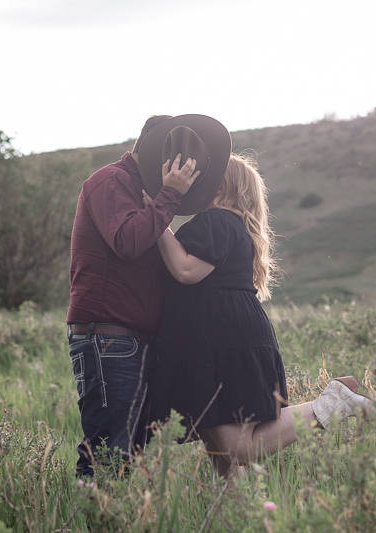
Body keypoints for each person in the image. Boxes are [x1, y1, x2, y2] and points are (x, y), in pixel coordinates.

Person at [149, 152, 376, 478]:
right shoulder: (232, 225)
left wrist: (157, 220)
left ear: (220, 186)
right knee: (219, 451)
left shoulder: (218, 221)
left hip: (222, 341)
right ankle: (229, 517)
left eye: (206, 179)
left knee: (239, 448)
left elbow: (186, 270)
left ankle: (333, 402)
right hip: (223, 337)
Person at [66, 114, 231, 477]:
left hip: (132, 341)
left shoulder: (145, 193)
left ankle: (111, 519)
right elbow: (128, 242)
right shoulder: (110, 181)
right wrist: (170, 193)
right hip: (108, 337)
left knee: (128, 453)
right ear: (155, 152)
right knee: (110, 452)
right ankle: (95, 520)